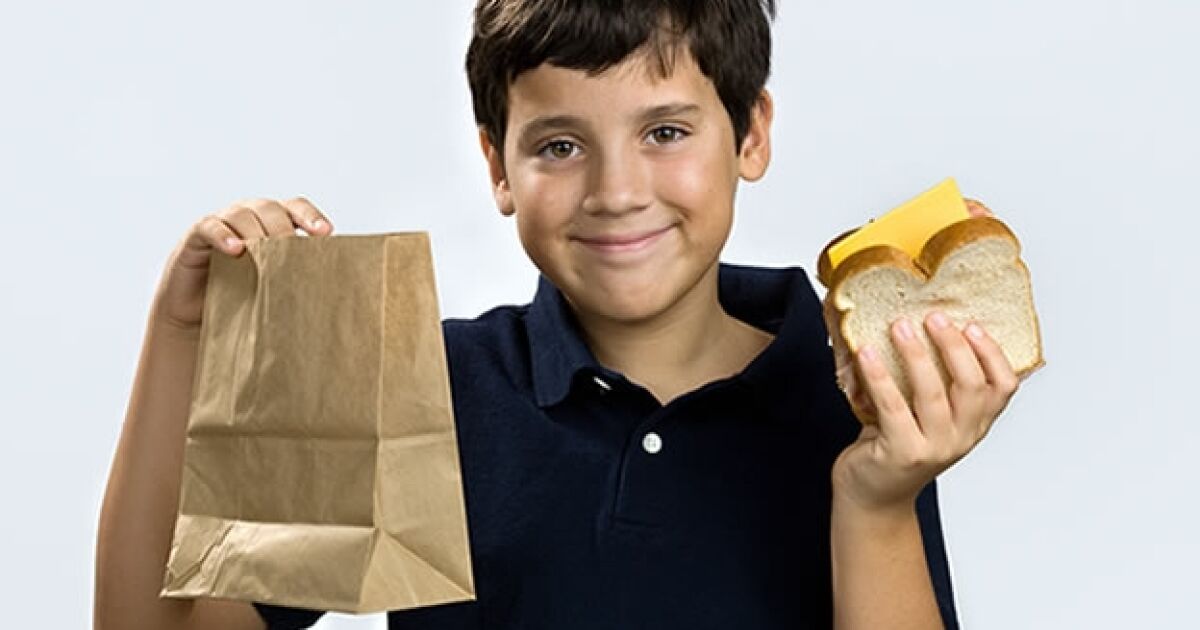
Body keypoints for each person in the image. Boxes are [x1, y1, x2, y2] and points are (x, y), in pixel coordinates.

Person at [94, 1, 1020, 628]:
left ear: (751, 133)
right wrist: (181, 340)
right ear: (498, 166)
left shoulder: (849, 385)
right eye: (561, 144)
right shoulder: (422, 387)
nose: (616, 192)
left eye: (664, 132)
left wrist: (875, 498)